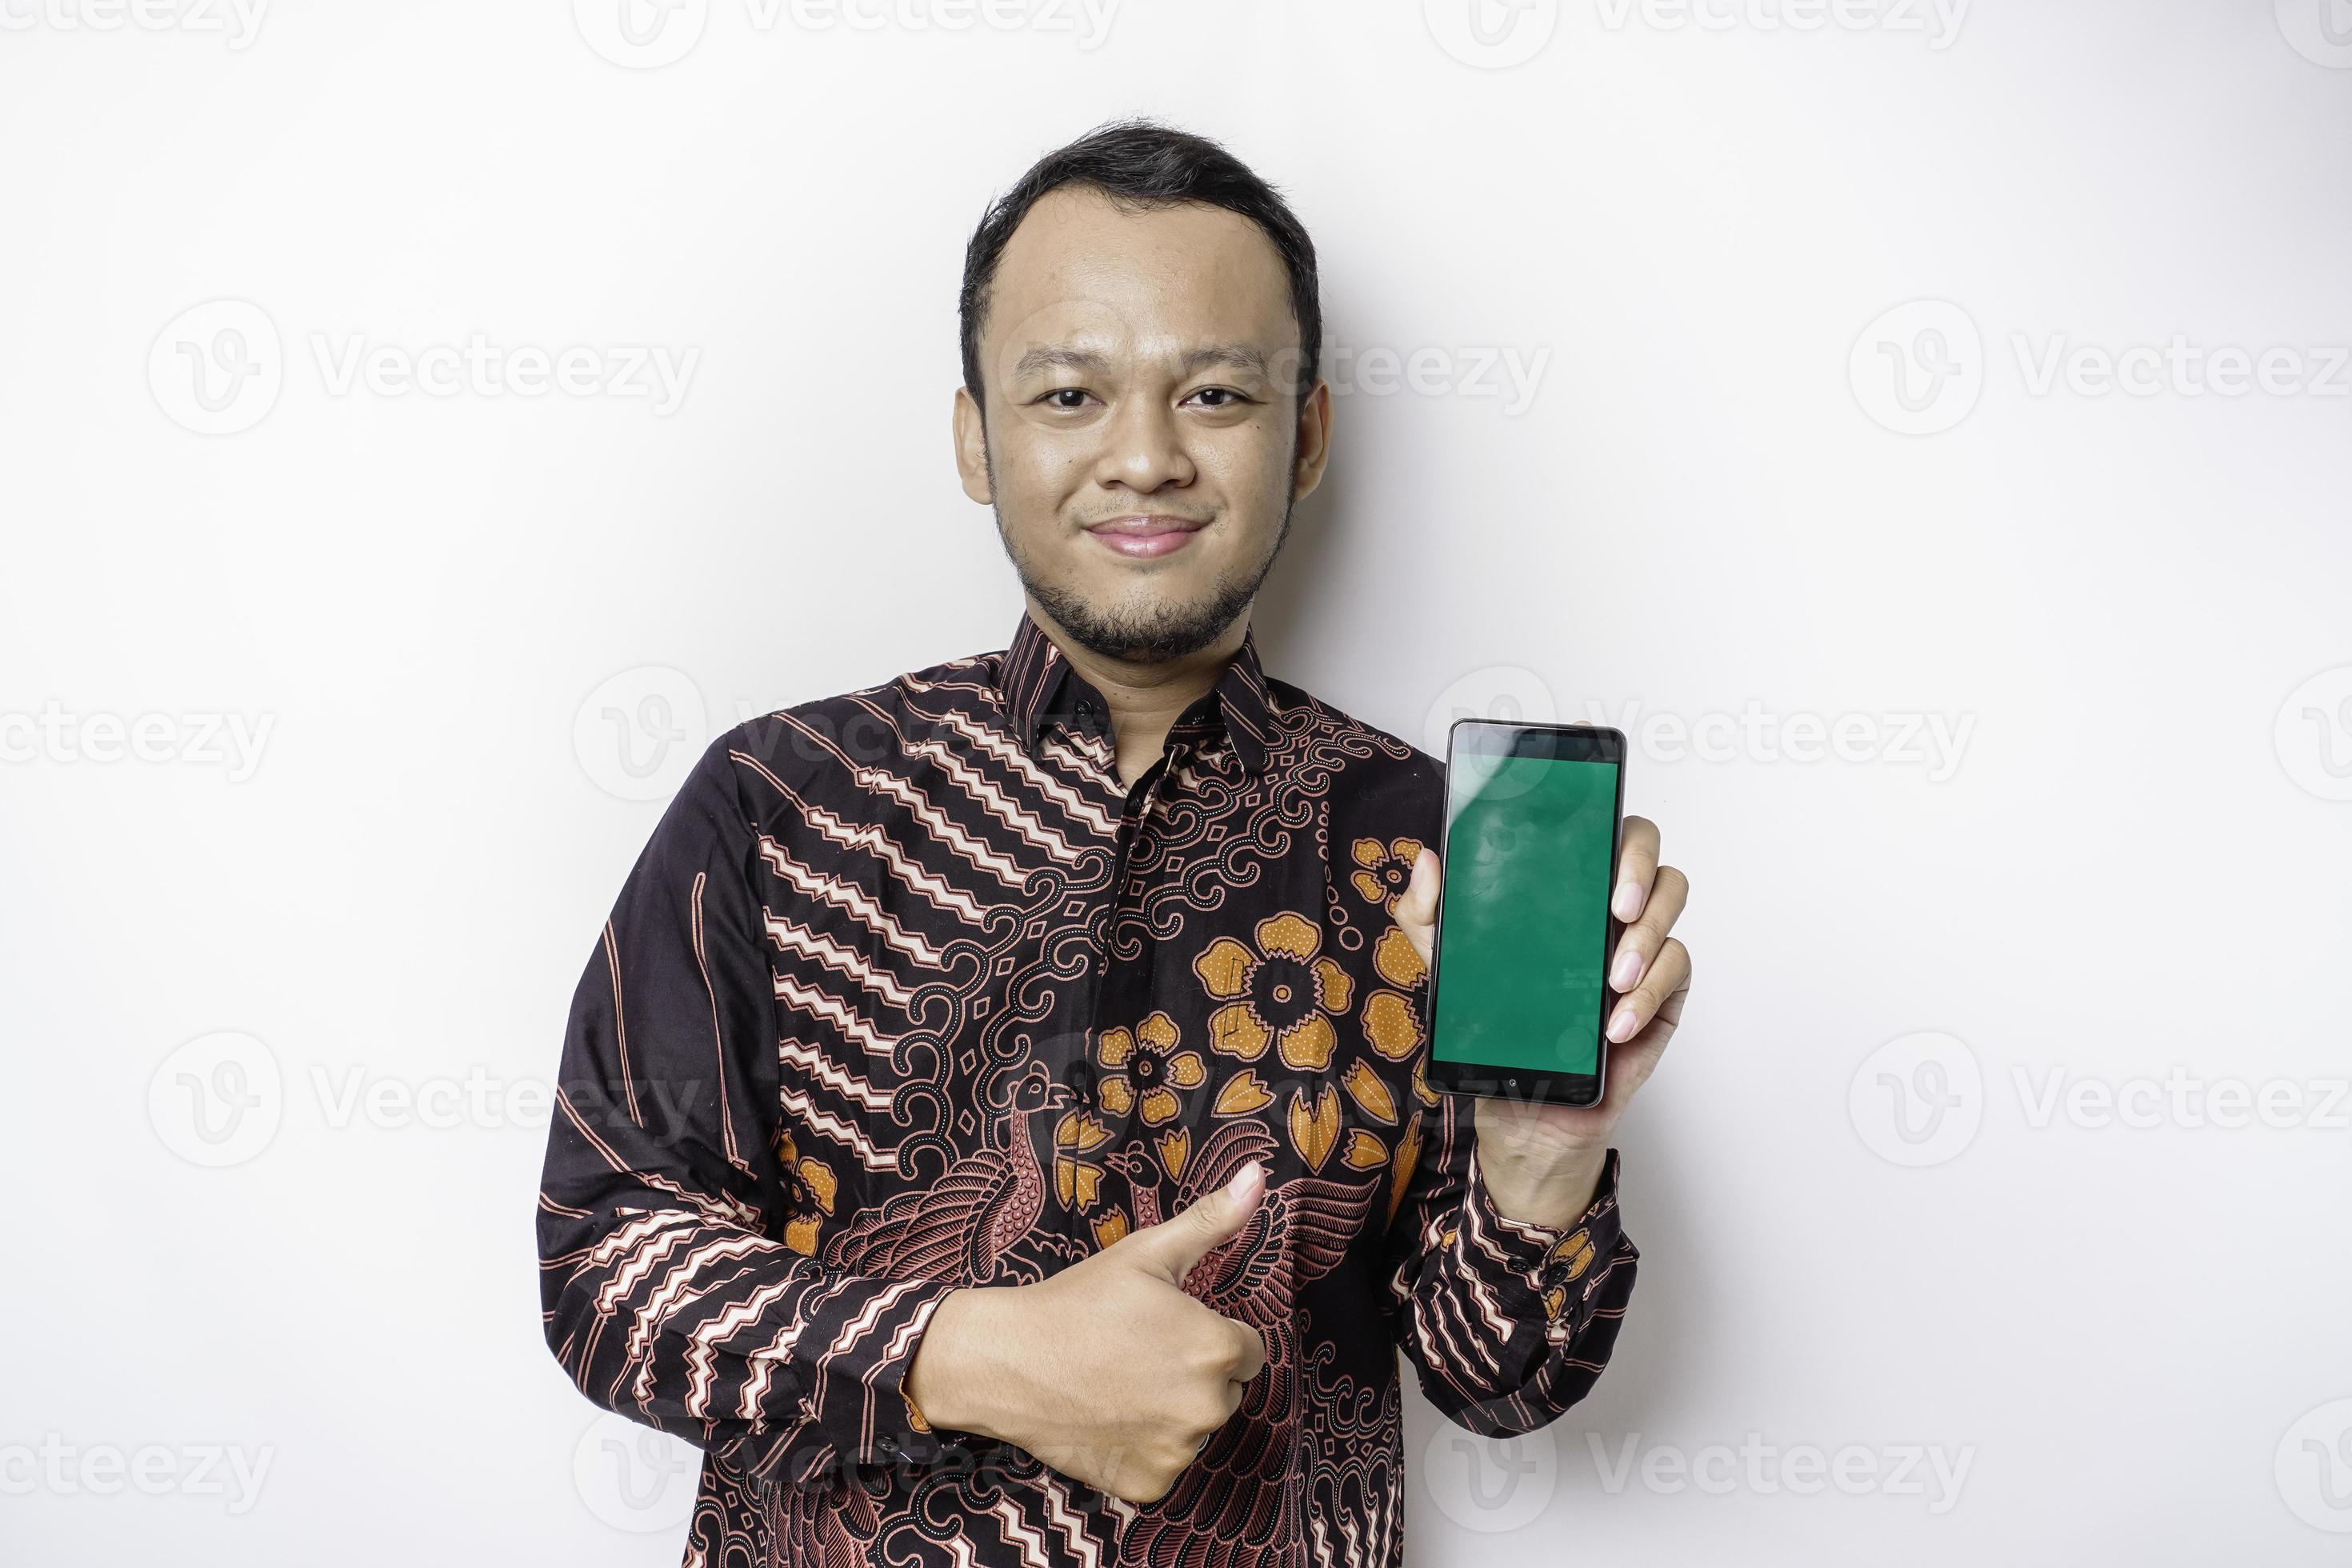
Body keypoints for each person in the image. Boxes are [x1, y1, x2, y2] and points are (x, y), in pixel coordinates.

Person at [537, 118, 1693, 1567]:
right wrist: (976, 1356)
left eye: (1214, 393)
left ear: (1308, 433)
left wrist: (1539, 1161)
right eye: (1072, 392)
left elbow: (1498, 1380)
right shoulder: (783, 806)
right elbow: (605, 1269)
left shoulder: (1427, 862)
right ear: (976, 434)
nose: (1143, 459)